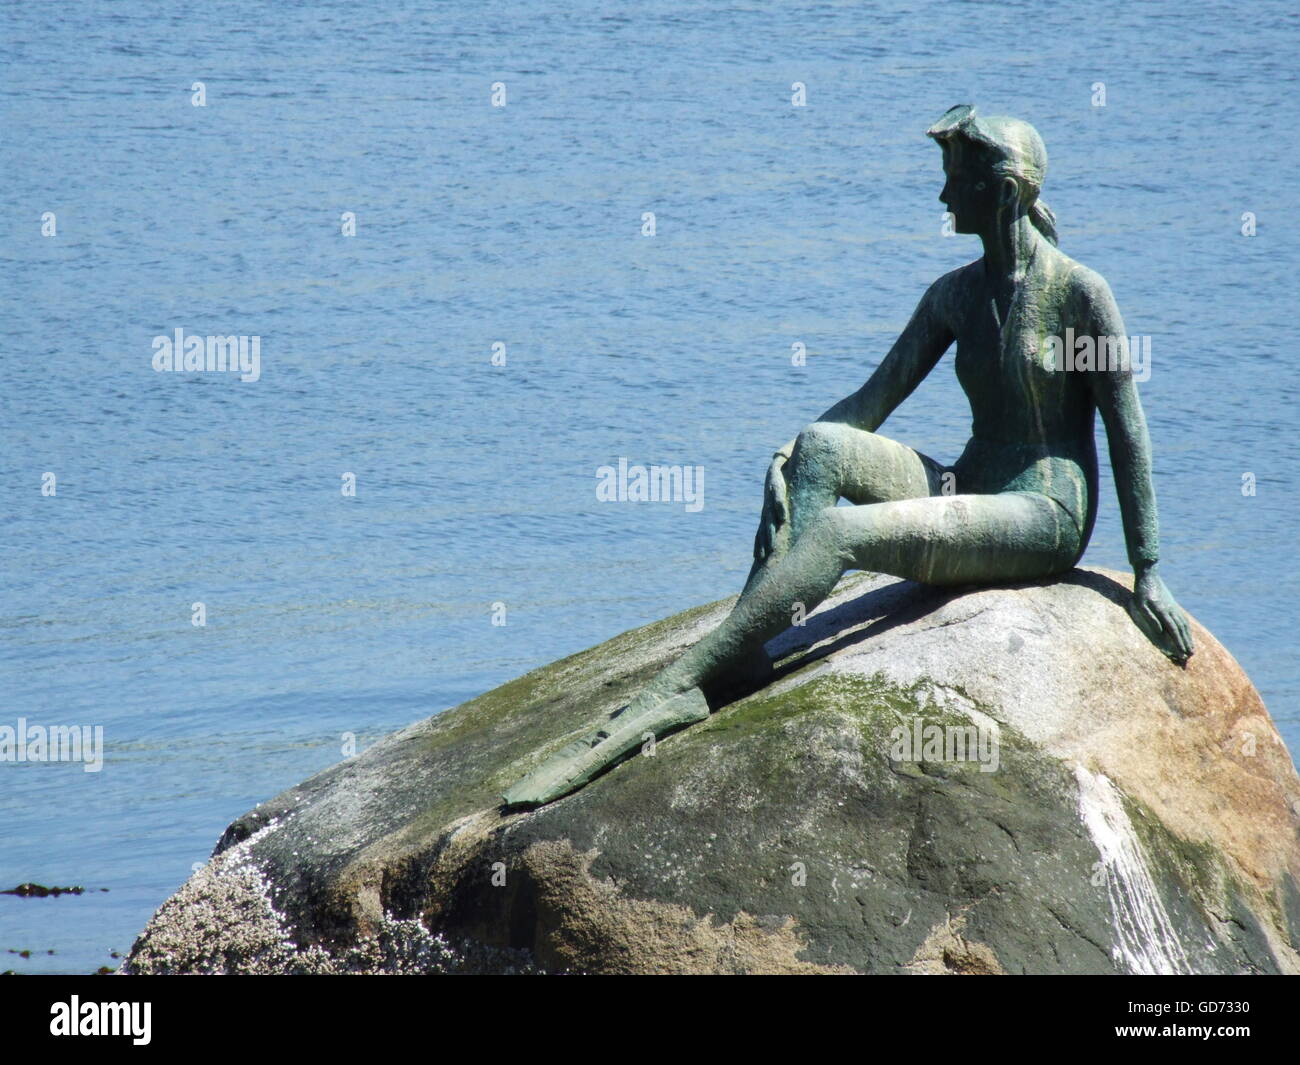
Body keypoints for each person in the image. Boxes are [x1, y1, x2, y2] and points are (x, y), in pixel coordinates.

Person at [503, 104, 1193, 809]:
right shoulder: (955, 294)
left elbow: (1127, 429)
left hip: (1043, 513)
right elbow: (870, 403)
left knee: (840, 534)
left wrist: (1149, 569)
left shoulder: (1080, 293)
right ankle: (745, 648)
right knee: (822, 450)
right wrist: (788, 450)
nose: (942, 196)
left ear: (1005, 192)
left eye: (956, 179)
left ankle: (678, 683)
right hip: (972, 481)